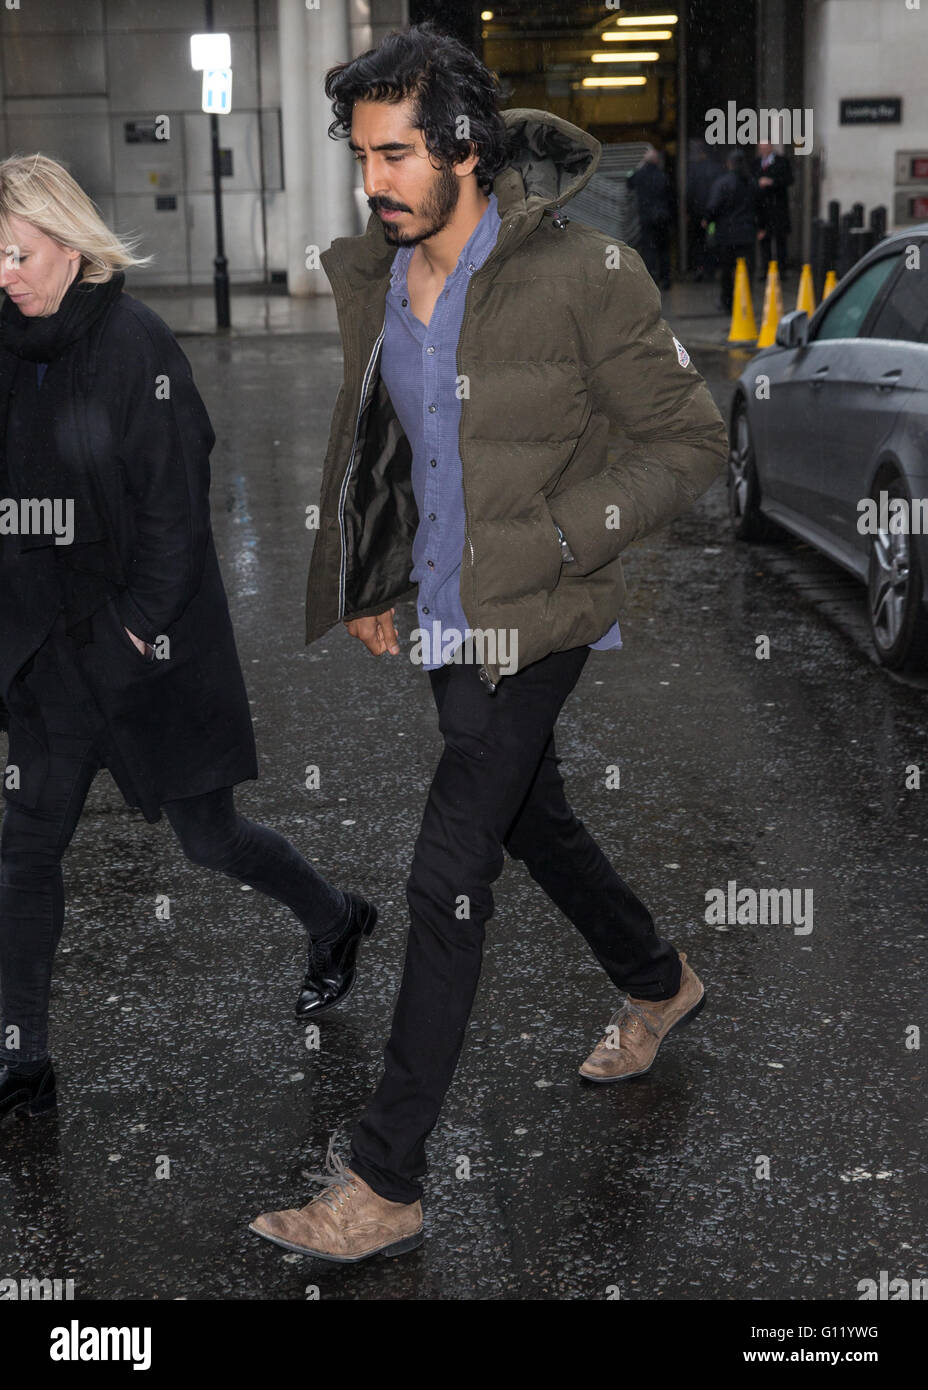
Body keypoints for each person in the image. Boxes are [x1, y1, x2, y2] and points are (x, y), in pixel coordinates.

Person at [250, 22, 728, 1264]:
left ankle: (384, 1179)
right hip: (449, 611)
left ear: (466, 148)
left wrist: (563, 542)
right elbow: (390, 443)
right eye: (362, 156)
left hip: (543, 609)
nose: (374, 182)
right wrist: (376, 571)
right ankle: (657, 975)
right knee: (530, 815)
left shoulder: (586, 273)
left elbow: (690, 444)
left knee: (446, 870)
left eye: (396, 155)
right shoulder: (378, 269)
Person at [0, 155, 375, 1123]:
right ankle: (23, 1062)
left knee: (209, 840)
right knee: (28, 849)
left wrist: (131, 636)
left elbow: (175, 517)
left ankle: (335, 918)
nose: (3, 273)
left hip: (144, 649)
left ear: (71, 246)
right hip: (45, 652)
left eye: (15, 253)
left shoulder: (137, 346)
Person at [704, 150, 758, 315]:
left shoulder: (723, 183)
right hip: (747, 232)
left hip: (727, 233)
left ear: (729, 164)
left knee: (726, 270)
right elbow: (759, 206)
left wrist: (707, 219)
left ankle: (727, 303)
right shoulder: (751, 182)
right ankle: (744, 301)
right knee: (747, 271)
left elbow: (714, 206)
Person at [627, 145, 673, 290]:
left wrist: (638, 166)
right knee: (664, 249)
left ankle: (652, 278)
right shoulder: (663, 175)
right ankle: (666, 279)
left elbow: (628, 181)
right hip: (662, 217)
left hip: (646, 218)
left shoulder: (640, 174)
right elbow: (671, 197)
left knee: (649, 249)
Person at [753, 142, 793, 277]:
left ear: (771, 147)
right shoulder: (756, 162)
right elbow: (752, 180)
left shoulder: (782, 161)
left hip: (778, 207)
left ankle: (782, 270)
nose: (763, 149)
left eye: (766, 147)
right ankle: (766, 270)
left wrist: (772, 182)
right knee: (764, 241)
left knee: (781, 240)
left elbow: (789, 179)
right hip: (763, 208)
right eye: (761, 147)